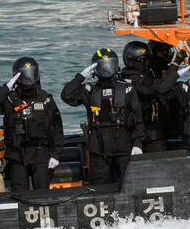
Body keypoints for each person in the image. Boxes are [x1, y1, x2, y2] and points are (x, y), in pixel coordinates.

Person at [61, 47, 144, 184]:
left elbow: (138, 119)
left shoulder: (127, 89)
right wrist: (80, 76)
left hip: (124, 143)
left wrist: (138, 144)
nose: (107, 69)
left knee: (128, 182)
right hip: (98, 146)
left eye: (110, 64)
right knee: (100, 183)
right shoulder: (89, 90)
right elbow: (66, 96)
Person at [0, 56, 64, 192]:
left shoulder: (45, 100)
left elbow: (57, 129)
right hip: (17, 154)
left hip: (41, 153)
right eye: (24, 75)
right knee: (19, 191)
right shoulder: (9, 99)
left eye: (32, 74)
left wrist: (56, 154)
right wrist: (6, 87)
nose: (29, 79)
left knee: (42, 191)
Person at [119, 40, 180, 153]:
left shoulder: (140, 75)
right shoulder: (135, 79)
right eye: (144, 60)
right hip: (147, 134)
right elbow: (158, 87)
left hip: (150, 130)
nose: (147, 63)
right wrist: (176, 64)